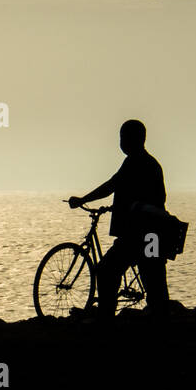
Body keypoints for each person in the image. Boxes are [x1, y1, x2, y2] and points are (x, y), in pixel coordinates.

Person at [68, 118, 171, 317]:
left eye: (123, 138)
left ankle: (107, 318)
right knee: (154, 277)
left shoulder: (138, 163)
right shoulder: (144, 163)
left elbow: (111, 186)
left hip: (141, 234)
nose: (121, 143)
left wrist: (83, 199)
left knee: (107, 271)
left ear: (132, 139)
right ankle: (159, 319)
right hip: (149, 234)